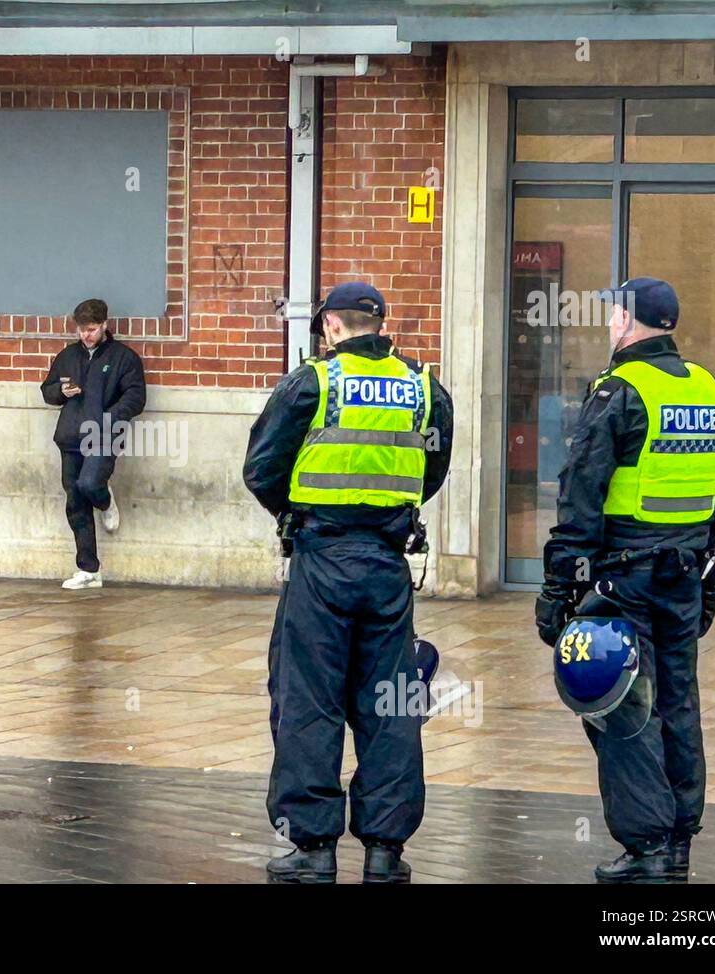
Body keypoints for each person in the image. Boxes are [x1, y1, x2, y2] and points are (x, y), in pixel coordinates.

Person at [243, 282, 453, 883]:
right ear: (379, 325)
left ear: (332, 326)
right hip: (387, 564)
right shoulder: (424, 387)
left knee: (309, 700)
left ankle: (313, 848)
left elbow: (260, 468)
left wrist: (300, 513)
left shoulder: (312, 383)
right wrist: (384, 512)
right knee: (391, 703)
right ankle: (386, 849)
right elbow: (431, 470)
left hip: (322, 560)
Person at [537, 277, 715, 883]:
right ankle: (678, 839)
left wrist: (558, 589)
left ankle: (646, 845)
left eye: (613, 313)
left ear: (628, 321)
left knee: (621, 705)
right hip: (681, 575)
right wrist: (708, 577)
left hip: (622, 580)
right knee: (679, 703)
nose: (609, 323)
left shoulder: (618, 392)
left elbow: (581, 497)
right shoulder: (711, 390)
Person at [40, 299, 147, 590]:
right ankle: (88, 570)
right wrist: (61, 391)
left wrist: (108, 417)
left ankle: (106, 501)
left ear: (104, 326)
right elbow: (47, 391)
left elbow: (136, 398)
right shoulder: (68, 356)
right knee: (74, 501)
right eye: (81, 330)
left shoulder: (124, 358)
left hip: (103, 435)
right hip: (70, 437)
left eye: (91, 329)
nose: (86, 335)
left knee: (89, 484)